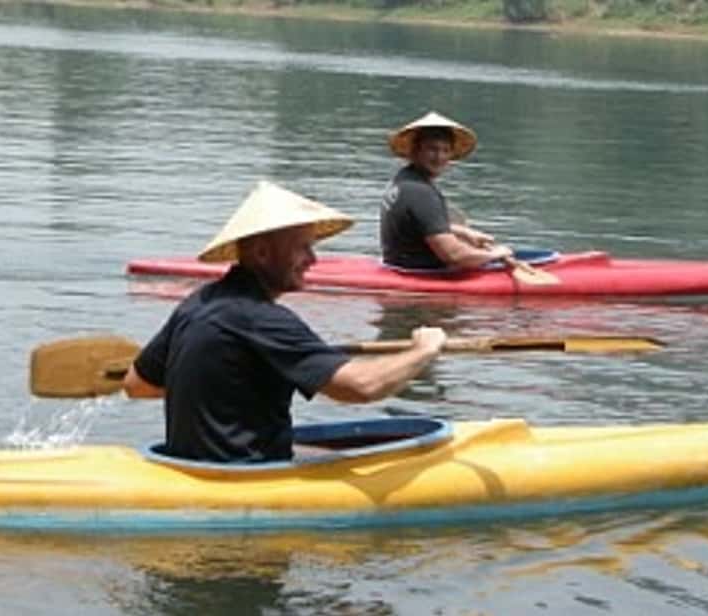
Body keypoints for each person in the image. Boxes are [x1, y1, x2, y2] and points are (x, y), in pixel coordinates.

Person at [122, 180, 448, 464]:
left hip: (191, 467)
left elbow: (137, 384)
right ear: (263, 253)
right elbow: (362, 387)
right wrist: (424, 350)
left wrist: (223, 381)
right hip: (243, 479)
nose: (313, 260)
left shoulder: (197, 302)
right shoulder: (264, 320)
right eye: (302, 247)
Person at [380, 111, 513, 271]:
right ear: (415, 151)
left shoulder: (404, 179)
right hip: (421, 273)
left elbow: (419, 223)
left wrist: (464, 232)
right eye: (432, 149)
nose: (439, 157)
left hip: (397, 263)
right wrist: (496, 254)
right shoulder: (420, 193)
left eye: (445, 150)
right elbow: (454, 256)